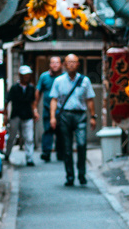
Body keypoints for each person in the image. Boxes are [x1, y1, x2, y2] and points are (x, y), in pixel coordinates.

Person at [49, 54, 96, 186]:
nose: (71, 64)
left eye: (73, 62)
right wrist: (53, 117)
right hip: (64, 116)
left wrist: (93, 116)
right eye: (68, 62)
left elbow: (90, 99)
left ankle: (82, 174)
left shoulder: (85, 81)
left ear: (78, 65)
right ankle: (70, 176)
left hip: (80, 115)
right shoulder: (58, 81)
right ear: (64, 64)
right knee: (67, 148)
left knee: (81, 145)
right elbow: (54, 99)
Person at [5, 64, 37, 167]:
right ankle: (7, 154)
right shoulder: (14, 88)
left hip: (27, 115)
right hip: (16, 115)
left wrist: (34, 112)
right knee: (12, 136)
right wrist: (5, 115)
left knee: (29, 137)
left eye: (28, 75)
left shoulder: (31, 88)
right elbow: (7, 101)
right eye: (25, 75)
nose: (26, 77)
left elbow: (33, 102)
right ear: (20, 75)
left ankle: (29, 158)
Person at [33, 55, 63, 162]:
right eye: (52, 63)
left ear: (61, 64)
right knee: (48, 131)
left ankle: (61, 153)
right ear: (49, 65)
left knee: (61, 132)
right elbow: (38, 92)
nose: (55, 65)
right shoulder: (44, 77)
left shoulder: (64, 77)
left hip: (62, 111)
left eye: (57, 62)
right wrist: (35, 108)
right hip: (47, 109)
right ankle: (46, 153)